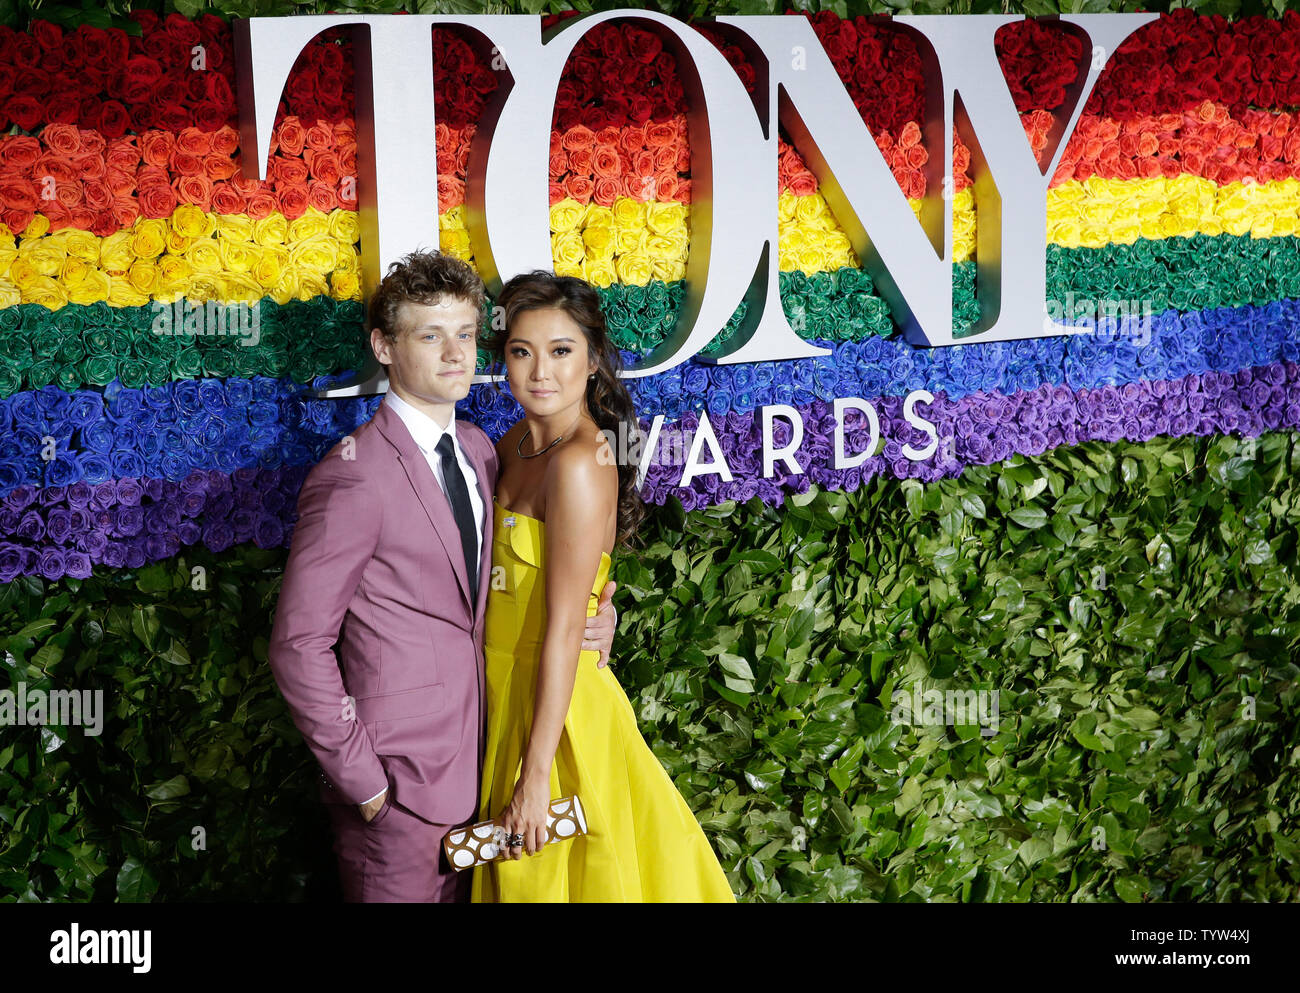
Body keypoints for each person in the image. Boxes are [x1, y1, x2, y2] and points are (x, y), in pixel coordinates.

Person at [267, 251, 617, 903]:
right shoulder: (352, 476)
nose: (455, 354)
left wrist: (601, 610)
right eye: (431, 335)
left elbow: (521, 580)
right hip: (396, 797)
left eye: (465, 333)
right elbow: (297, 646)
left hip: (486, 770)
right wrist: (367, 785)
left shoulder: (487, 451)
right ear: (384, 345)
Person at [471, 270, 734, 902]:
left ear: (593, 361)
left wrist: (537, 776)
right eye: (521, 351)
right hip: (498, 691)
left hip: (558, 715)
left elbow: (564, 627)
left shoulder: (580, 463)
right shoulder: (511, 444)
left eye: (561, 351)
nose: (541, 372)